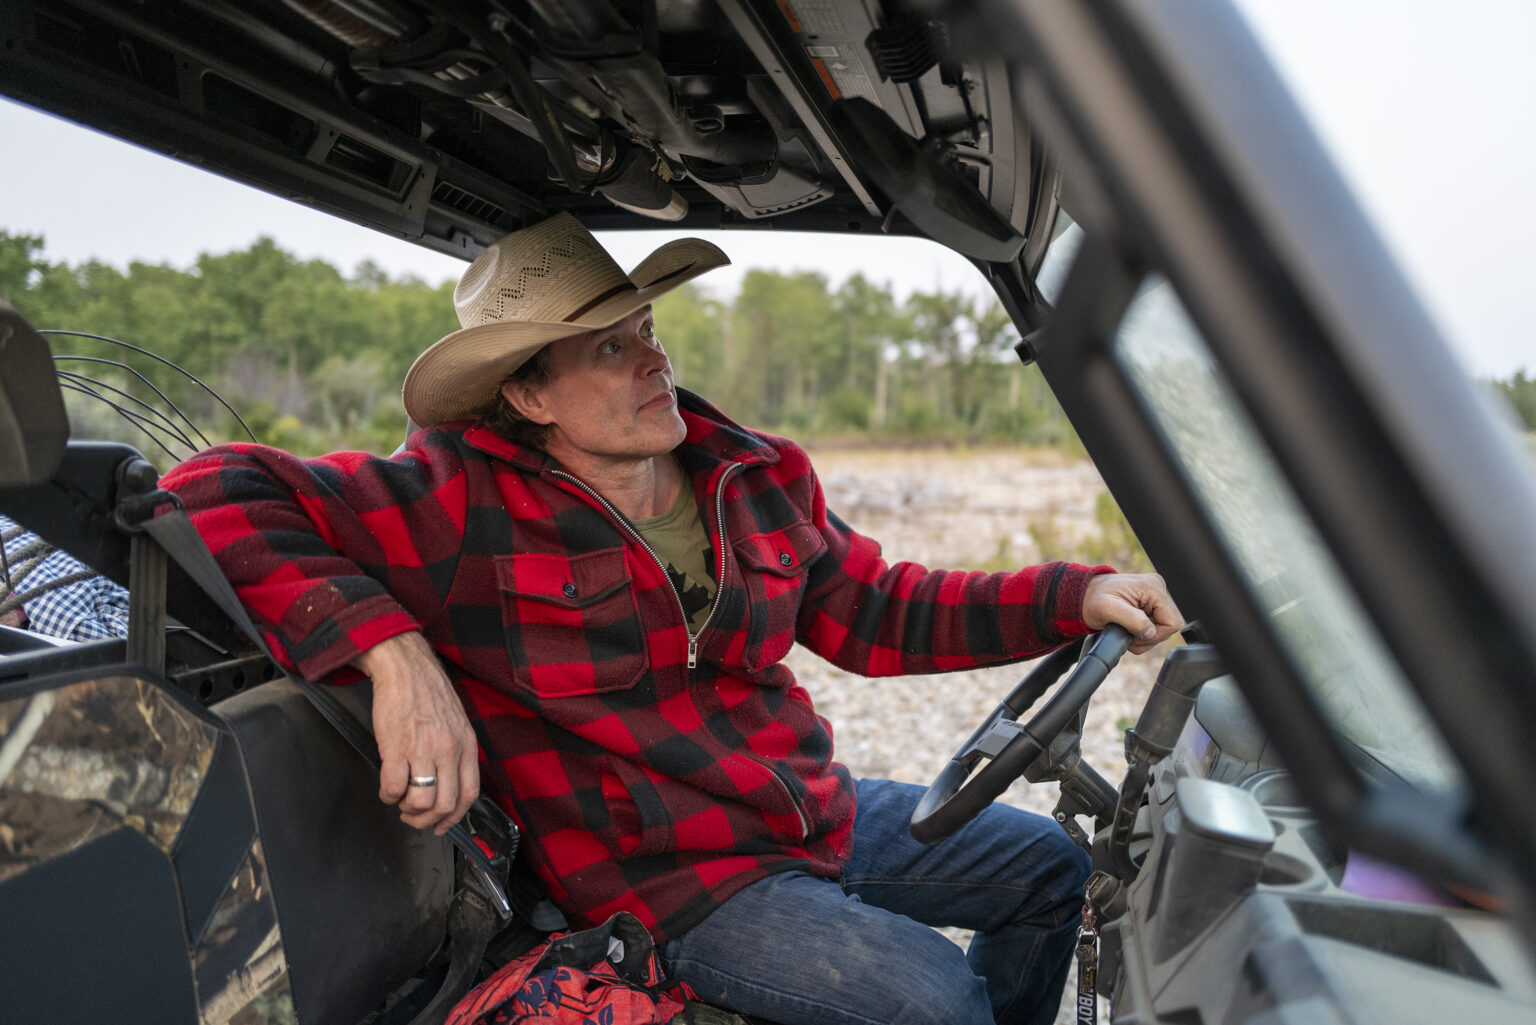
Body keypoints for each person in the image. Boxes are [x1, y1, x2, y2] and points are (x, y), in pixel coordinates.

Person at [161, 212, 1182, 1025]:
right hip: (668, 880)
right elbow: (212, 486)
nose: (653, 361)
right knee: (932, 999)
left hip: (811, 810)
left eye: (645, 329)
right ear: (528, 393)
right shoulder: (460, 500)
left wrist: (1067, 594)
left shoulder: (750, 469)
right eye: (610, 348)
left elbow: (874, 609)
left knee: (1051, 870)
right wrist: (392, 650)